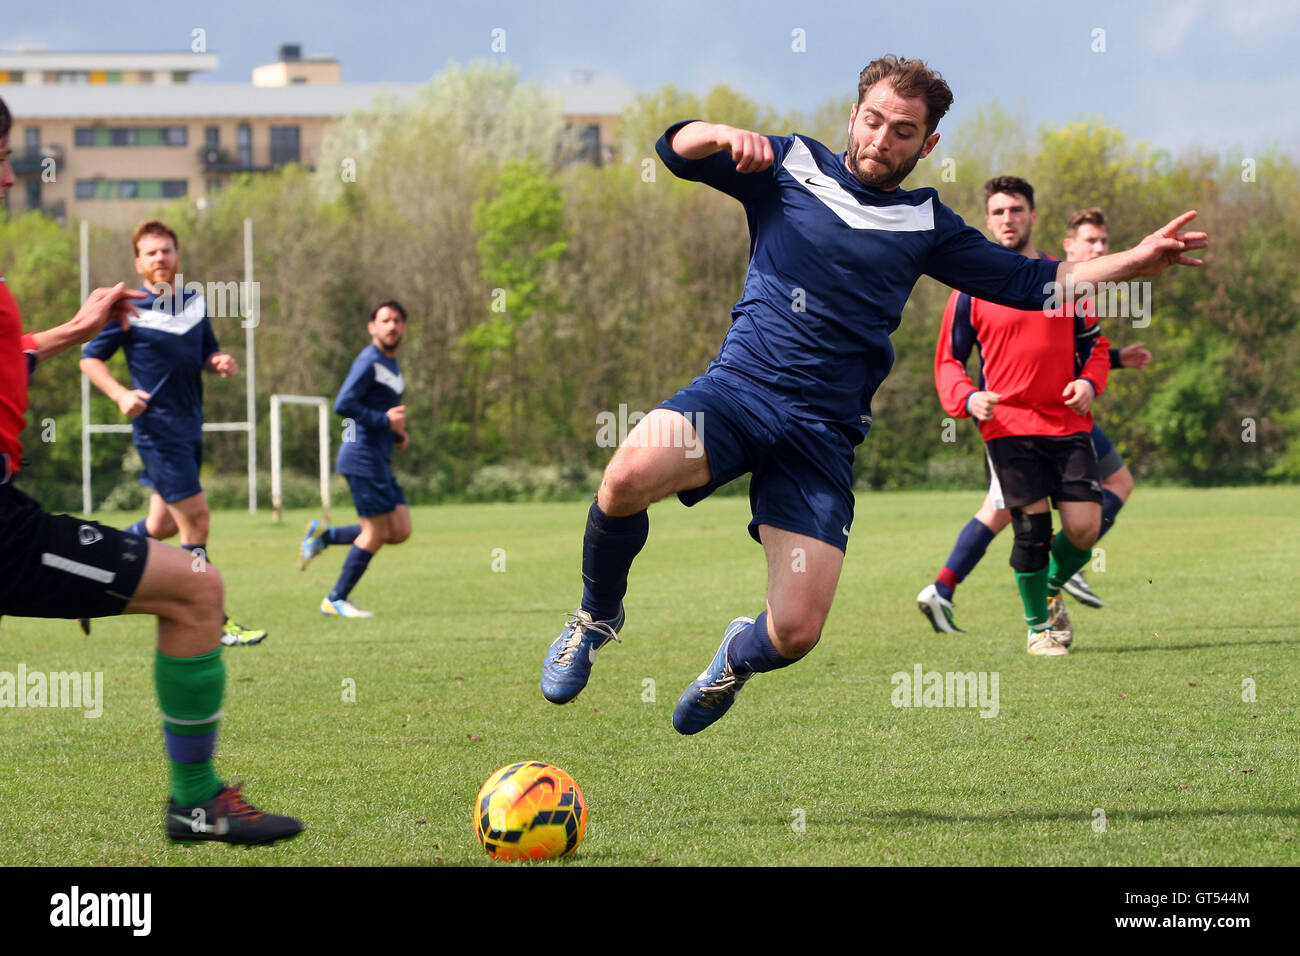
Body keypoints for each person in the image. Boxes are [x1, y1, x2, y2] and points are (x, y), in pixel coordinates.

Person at [539, 56, 1207, 728]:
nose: (883, 139)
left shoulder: (925, 224)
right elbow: (674, 152)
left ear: (928, 145)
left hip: (821, 435)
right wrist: (715, 131)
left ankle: (735, 658)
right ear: (854, 114)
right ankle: (597, 616)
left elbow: (1033, 283)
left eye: (904, 131)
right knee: (625, 475)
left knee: (795, 632)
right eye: (875, 120)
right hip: (739, 393)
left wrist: (1135, 262)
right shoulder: (788, 164)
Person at [0, 96, 301, 845]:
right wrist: (105, 364)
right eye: (0, 158)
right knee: (198, 582)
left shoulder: (189, 308)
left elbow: (14, 354)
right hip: (22, 515)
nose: (9, 179)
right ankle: (195, 801)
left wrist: (72, 327)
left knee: (177, 544)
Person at [917, 205, 1150, 631]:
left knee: (1013, 509)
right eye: (1091, 242)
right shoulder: (1027, 280)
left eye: (1104, 242)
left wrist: (1111, 363)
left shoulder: (1076, 287)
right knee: (1022, 512)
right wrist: (969, 398)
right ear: (1069, 246)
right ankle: (1040, 591)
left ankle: (955, 587)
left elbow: (1076, 350)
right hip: (1012, 420)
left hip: (1064, 414)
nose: (1099, 248)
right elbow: (971, 355)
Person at [79, 219, 267, 647]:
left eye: (166, 250)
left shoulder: (194, 303)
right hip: (158, 431)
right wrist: (121, 394)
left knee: (159, 525)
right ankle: (211, 621)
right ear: (138, 262)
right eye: (151, 252)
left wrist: (218, 361)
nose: (160, 258)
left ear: (176, 257)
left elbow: (206, 351)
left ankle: (87, 567)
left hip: (189, 427)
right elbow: (90, 360)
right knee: (197, 521)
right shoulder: (126, 308)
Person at [299, 300, 411, 617]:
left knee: (399, 529)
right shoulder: (369, 360)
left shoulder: (391, 363)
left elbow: (383, 409)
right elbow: (344, 403)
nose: (392, 326)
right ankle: (335, 599)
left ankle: (326, 536)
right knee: (375, 532)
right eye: (386, 320)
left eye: (398, 321)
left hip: (379, 455)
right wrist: (385, 422)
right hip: (362, 455)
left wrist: (396, 431)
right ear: (371, 326)